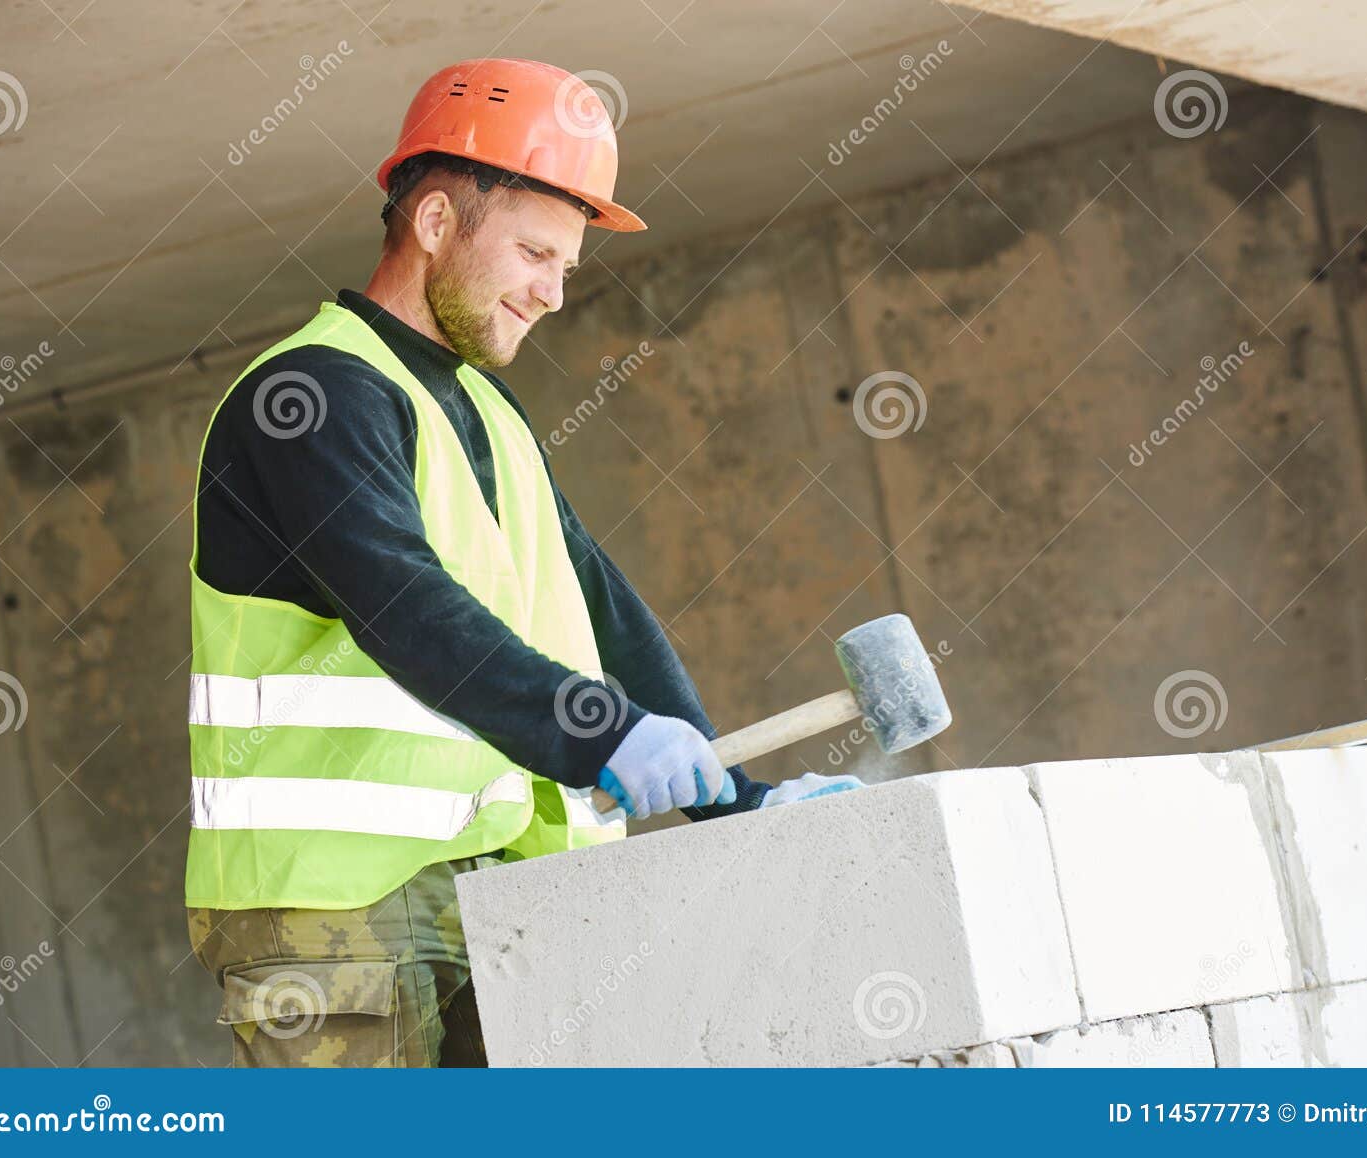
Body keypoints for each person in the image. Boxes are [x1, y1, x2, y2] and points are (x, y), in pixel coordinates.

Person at [182, 58, 860, 1067]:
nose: (550, 294)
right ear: (436, 223)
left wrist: (733, 798)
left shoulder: (488, 413)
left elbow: (598, 604)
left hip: (489, 888)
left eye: (566, 268)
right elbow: (403, 606)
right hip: (326, 909)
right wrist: (601, 735)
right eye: (534, 254)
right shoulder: (312, 398)